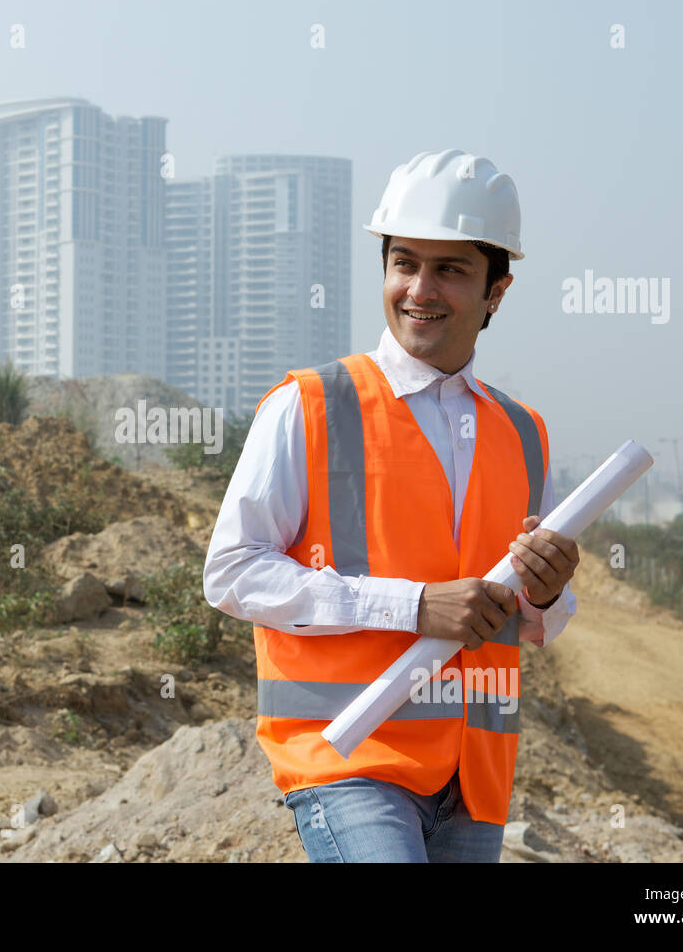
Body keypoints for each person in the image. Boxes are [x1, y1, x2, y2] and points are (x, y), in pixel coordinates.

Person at [202, 149, 579, 862]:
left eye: (451, 270)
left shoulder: (524, 433)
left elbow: (539, 624)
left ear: (497, 290)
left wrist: (549, 592)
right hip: (348, 757)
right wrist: (411, 606)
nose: (419, 289)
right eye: (404, 263)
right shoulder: (309, 406)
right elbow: (231, 572)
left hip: (475, 775)